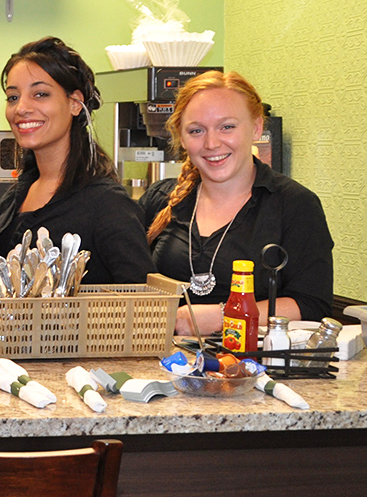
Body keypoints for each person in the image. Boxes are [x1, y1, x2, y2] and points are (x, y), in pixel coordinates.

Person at [138, 70, 334, 336]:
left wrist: (225, 316)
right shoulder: (159, 199)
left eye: (227, 127)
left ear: (256, 127)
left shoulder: (295, 205)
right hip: (163, 357)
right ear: (182, 138)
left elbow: (311, 304)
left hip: (253, 360)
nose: (211, 143)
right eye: (196, 131)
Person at [0, 36, 155, 283]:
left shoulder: (108, 205)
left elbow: (143, 298)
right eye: (13, 97)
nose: (21, 108)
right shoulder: (15, 196)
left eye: (40, 94)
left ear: (76, 103)